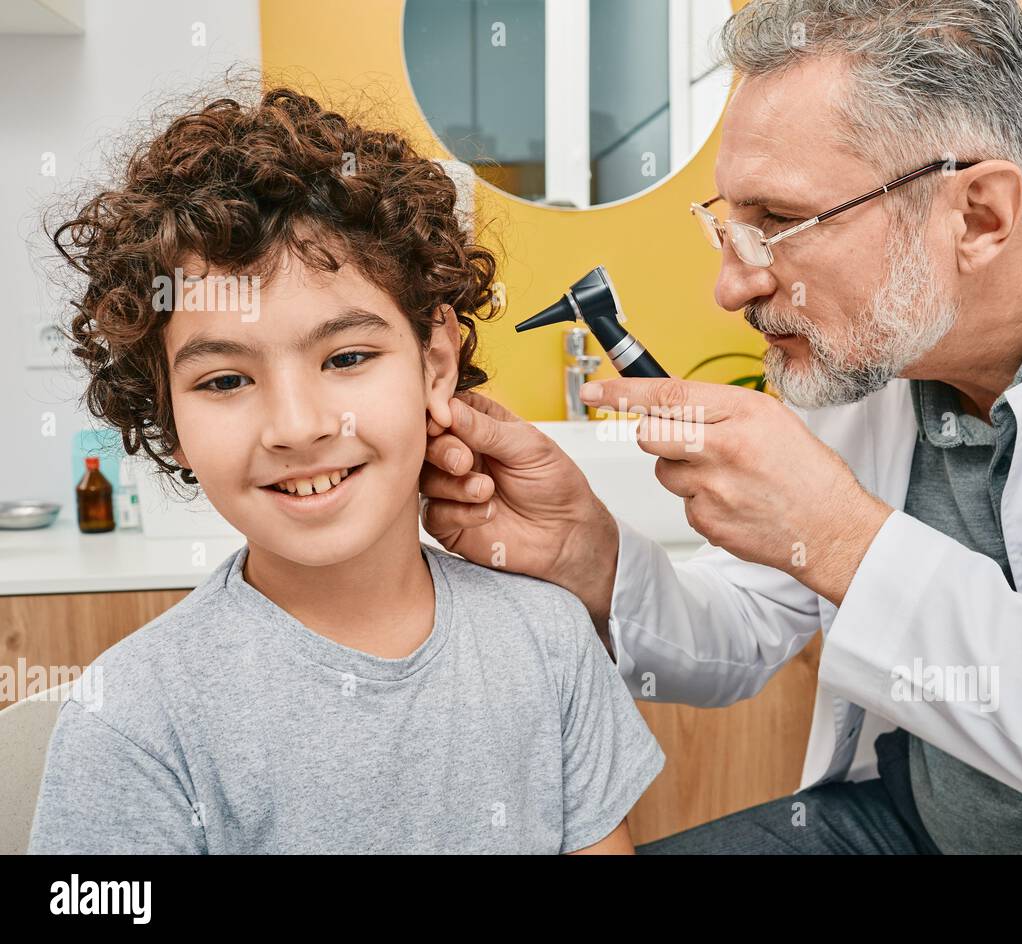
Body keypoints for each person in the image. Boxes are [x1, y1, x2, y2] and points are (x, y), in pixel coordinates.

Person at [420, 0, 1022, 854]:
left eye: (778, 224)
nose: (731, 288)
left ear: (979, 214)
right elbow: (744, 628)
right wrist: (590, 557)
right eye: (729, 224)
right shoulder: (882, 339)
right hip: (907, 820)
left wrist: (842, 536)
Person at [28, 87, 663, 854]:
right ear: (168, 416)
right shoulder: (134, 718)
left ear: (435, 365)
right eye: (225, 380)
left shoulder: (549, 642)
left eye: (347, 357)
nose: (297, 426)